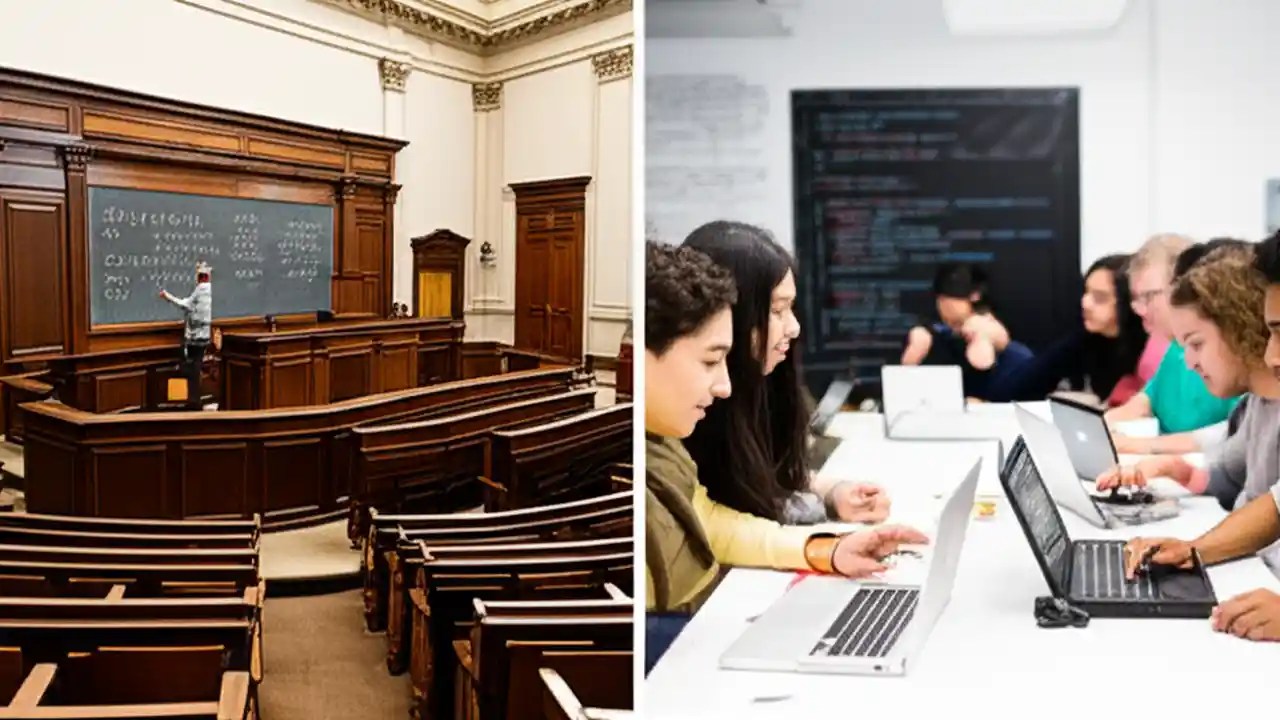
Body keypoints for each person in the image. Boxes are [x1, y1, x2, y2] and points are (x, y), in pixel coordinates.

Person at [644, 240, 928, 671]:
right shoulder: (667, 435)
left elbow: (708, 522)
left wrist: (827, 550)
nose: (723, 385)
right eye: (709, 361)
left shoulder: (665, 440)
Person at [1119, 232, 1280, 642]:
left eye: (1195, 344)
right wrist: (1194, 550)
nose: (1271, 355)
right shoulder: (1258, 407)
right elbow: (1273, 503)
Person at [680, 221, 889, 525]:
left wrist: (831, 492)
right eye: (776, 311)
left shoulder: (770, 381)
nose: (793, 327)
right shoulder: (686, 405)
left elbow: (769, 476)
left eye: (790, 308)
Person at [1097, 244, 1279, 514]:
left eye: (1197, 344)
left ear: (1237, 328)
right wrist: (1173, 469)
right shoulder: (1257, 406)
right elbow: (1225, 477)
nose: (1190, 363)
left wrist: (1199, 550)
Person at [1104, 233, 1240, 453]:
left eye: (1148, 296)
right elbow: (1144, 402)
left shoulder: (1229, 349)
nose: (1138, 309)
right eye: (1135, 298)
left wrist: (1142, 446)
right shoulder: (1173, 348)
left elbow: (1236, 433)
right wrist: (1100, 429)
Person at [967, 255, 1149, 405]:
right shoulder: (1085, 339)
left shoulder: (1151, 345)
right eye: (1086, 292)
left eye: (1099, 298)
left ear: (1128, 303)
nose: (1085, 303)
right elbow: (1018, 387)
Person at [900, 263, 1035, 401]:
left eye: (950, 298)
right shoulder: (937, 342)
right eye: (942, 299)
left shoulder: (1015, 358)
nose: (945, 306)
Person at [159, 261, 213, 410]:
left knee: (192, 368)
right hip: (205, 335)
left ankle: (193, 400)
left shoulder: (201, 289)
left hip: (196, 337)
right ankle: (195, 399)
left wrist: (167, 296)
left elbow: (185, 305)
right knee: (196, 366)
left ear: (200, 277)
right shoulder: (209, 289)